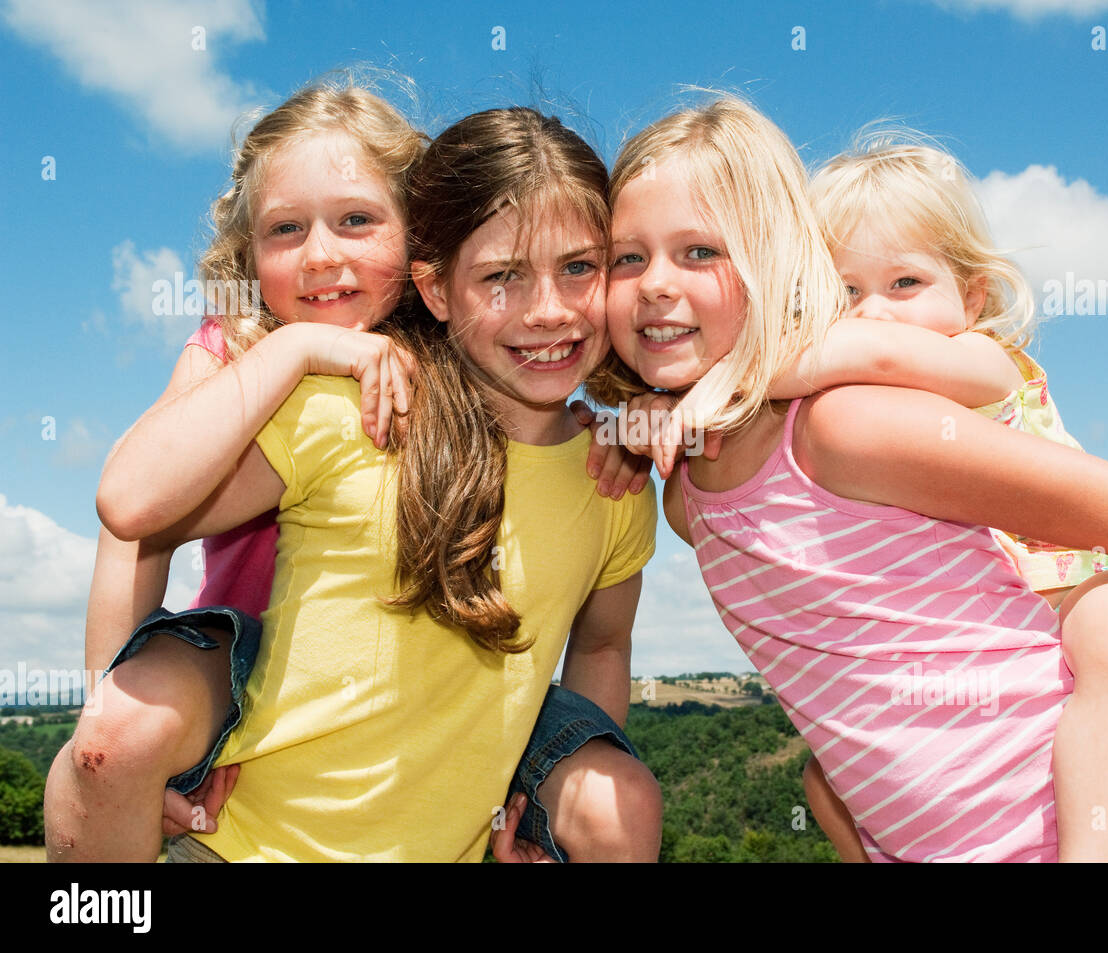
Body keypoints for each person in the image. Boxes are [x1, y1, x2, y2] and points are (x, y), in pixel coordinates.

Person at [594, 96, 1108, 862]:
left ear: (779, 267)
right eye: (625, 258)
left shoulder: (844, 426)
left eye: (700, 251)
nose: (654, 285)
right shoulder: (684, 497)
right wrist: (630, 423)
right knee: (819, 779)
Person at [46, 87, 659, 862]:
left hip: (417, 722)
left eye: (580, 268)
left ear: (413, 250)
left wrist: (645, 413)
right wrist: (293, 350)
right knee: (114, 737)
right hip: (241, 677)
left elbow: (600, 645)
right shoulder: (257, 361)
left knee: (622, 801)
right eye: (286, 229)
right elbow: (130, 514)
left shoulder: (581, 456)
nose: (322, 255)